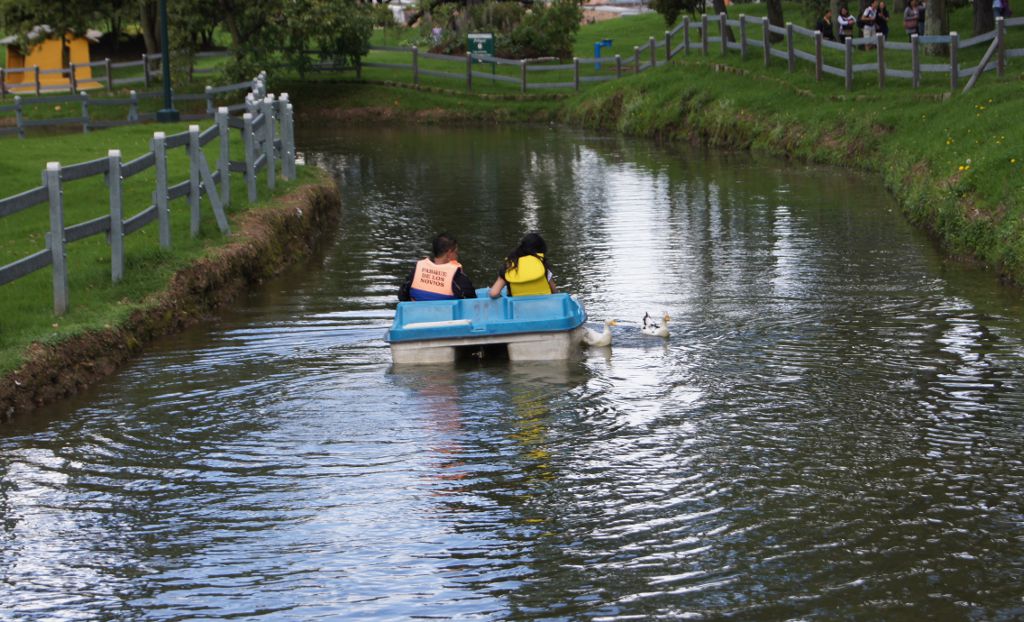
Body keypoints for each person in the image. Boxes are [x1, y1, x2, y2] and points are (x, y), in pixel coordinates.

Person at [398, 232, 477, 301]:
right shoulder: (456, 276)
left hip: (417, 312)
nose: (457, 256)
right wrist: (463, 276)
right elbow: (471, 298)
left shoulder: (417, 270)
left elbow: (402, 296)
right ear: (449, 253)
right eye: (456, 253)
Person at [488, 232, 557, 298]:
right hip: (545, 305)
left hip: (518, 306)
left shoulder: (509, 266)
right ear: (541, 249)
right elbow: (554, 292)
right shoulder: (542, 264)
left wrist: (503, 298)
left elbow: (494, 293)